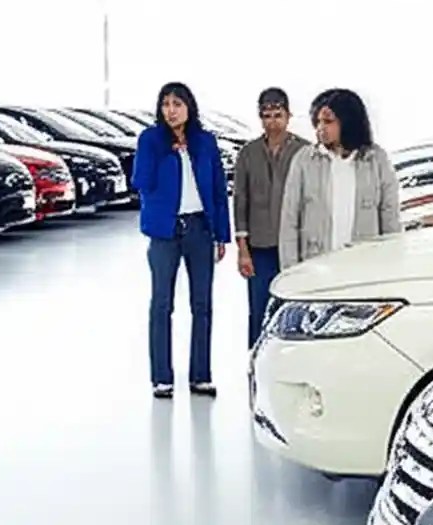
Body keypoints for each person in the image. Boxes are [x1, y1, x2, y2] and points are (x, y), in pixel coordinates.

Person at [132, 82, 232, 399]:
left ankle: (200, 375)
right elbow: (141, 182)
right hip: (165, 231)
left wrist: (222, 234)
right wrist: (164, 152)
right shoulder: (150, 140)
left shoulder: (205, 142)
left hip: (200, 229)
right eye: (165, 104)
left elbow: (218, 190)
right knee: (162, 304)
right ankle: (162, 377)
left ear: (189, 107)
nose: (171, 110)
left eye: (177, 103)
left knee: (202, 305)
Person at [279, 88, 400, 270]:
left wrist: (391, 274)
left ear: (348, 122)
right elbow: (289, 221)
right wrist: (290, 274)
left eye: (328, 121)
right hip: (315, 270)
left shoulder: (376, 160)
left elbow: (390, 220)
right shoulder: (304, 160)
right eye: (318, 122)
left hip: (364, 271)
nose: (321, 128)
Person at [232, 88, 309, 348]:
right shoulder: (248, 153)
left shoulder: (305, 152)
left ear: (288, 116)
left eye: (278, 115)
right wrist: (243, 251)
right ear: (259, 117)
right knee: (259, 310)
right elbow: (240, 201)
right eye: (267, 116)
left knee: (294, 310)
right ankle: (256, 360)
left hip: (295, 248)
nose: (272, 122)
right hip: (259, 246)